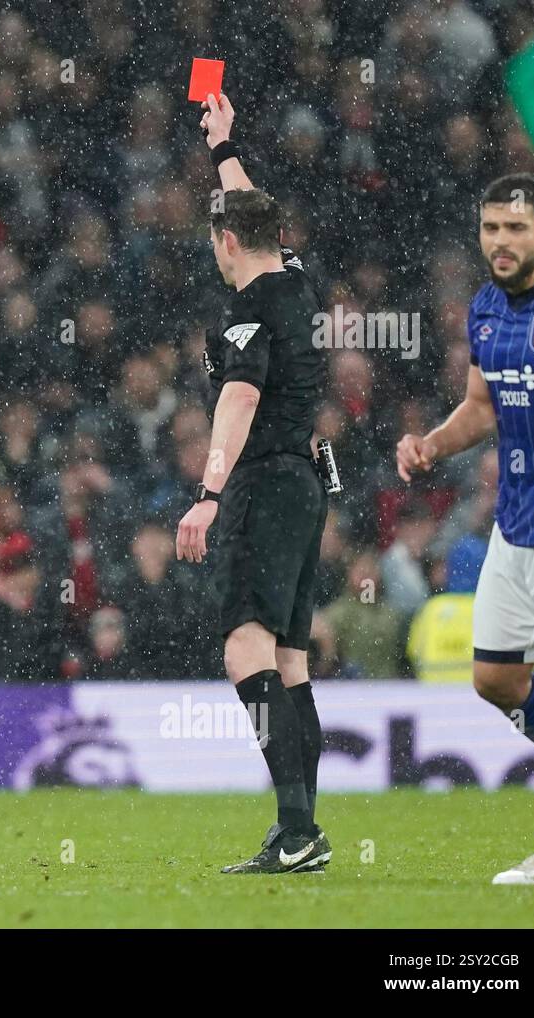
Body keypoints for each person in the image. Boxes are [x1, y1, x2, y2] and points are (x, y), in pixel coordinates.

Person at [396, 173, 534, 885]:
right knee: (495, 678)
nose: (500, 241)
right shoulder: (487, 310)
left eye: (516, 228)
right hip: (515, 521)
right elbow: (483, 404)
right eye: (491, 227)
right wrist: (433, 444)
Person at [175, 94, 331, 874]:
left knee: (247, 652)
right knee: (290, 661)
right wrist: (222, 146)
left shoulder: (247, 314)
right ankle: (300, 829)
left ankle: (298, 831)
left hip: (264, 486)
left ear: (227, 241)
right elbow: (253, 212)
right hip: (306, 486)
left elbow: (238, 397)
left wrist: (208, 493)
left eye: (216, 240)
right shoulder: (299, 285)